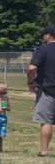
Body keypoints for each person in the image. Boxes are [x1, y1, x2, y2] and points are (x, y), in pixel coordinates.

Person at [28, 25, 55, 157]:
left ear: (48, 35)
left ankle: (44, 151)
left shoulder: (43, 49)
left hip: (47, 89)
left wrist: (30, 82)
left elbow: (32, 68)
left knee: (46, 121)